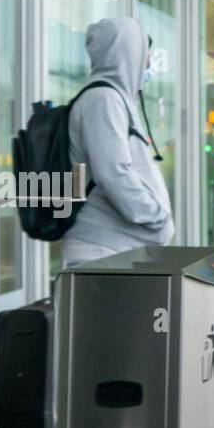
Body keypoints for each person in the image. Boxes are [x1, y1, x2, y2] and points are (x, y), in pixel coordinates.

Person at [62, 17, 174, 267]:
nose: (148, 62)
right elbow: (112, 171)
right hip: (104, 250)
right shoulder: (103, 100)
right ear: (126, 54)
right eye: (145, 54)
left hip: (119, 248)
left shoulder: (116, 100)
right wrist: (154, 215)